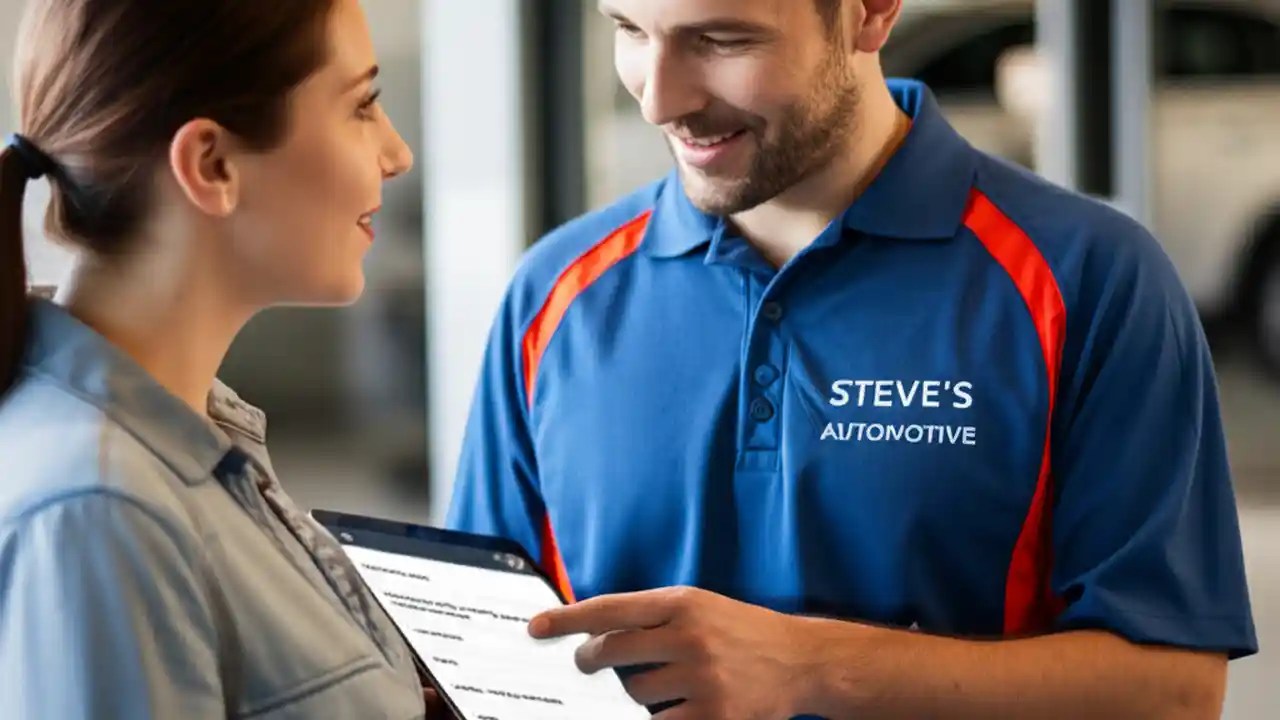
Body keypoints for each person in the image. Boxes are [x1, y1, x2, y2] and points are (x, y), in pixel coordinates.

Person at [447, 0, 1258, 717]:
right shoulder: (553, 295)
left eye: (721, 40)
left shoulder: (1089, 277)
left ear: (871, 11)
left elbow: (1174, 691)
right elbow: (479, 654)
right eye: (628, 29)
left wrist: (812, 669)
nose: (661, 97)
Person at [0, 1, 452, 718]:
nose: (397, 153)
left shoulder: (191, 435)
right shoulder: (102, 512)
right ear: (211, 164)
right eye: (362, 105)